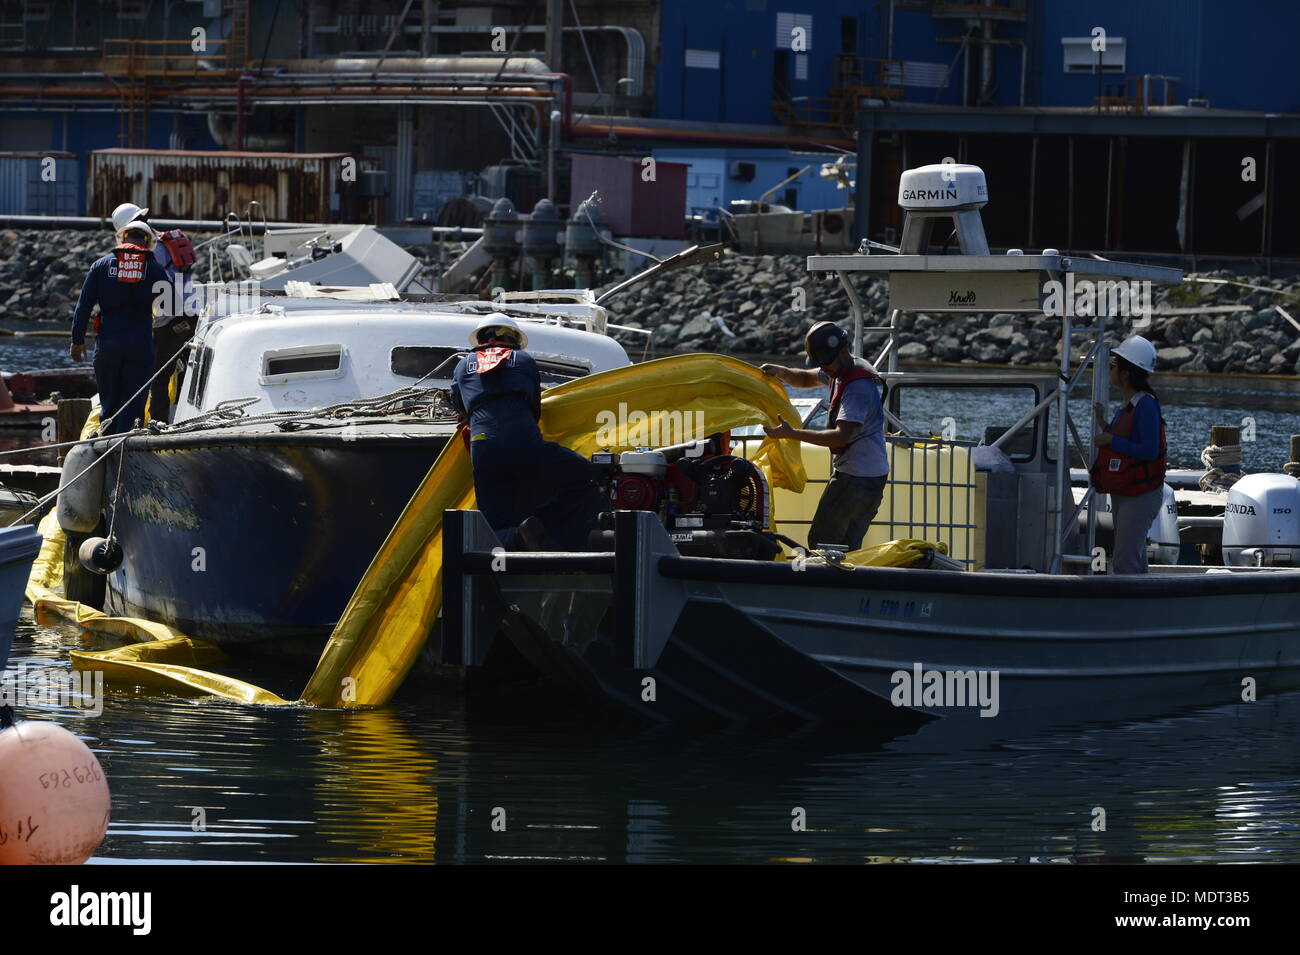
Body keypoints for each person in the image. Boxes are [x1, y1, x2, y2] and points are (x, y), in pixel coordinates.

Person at [450, 314, 599, 551]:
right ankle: (540, 523)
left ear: (480, 338)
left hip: (483, 447)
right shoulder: (524, 360)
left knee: (493, 521)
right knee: (585, 475)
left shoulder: (462, 365)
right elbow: (534, 408)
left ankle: (517, 538)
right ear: (514, 338)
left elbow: (459, 405)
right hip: (525, 443)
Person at [761, 321, 890, 551]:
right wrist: (780, 371)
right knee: (848, 548)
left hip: (857, 479)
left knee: (823, 542)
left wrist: (792, 434)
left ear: (842, 351)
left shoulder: (857, 388)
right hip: (871, 476)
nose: (823, 369)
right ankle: (846, 585)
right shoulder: (839, 369)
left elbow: (840, 437)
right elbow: (804, 378)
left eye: (826, 363)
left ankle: (823, 585)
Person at [70, 221, 169, 436]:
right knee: (134, 399)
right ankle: (128, 441)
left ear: (122, 239)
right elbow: (171, 305)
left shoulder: (101, 265)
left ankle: (107, 441)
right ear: (147, 241)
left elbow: (83, 306)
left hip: (109, 342)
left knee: (109, 401)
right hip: (140, 343)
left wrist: (77, 341)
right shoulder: (153, 268)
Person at [110, 202, 197, 422]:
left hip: (169, 321)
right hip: (192, 314)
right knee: (189, 368)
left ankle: (159, 425)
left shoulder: (147, 250)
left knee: (158, 376)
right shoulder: (165, 241)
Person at [1091, 335, 1167, 574]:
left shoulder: (1145, 405)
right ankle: (1146, 606)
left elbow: (1149, 450)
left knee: (1125, 560)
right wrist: (1104, 423)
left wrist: (1111, 439)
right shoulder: (1130, 404)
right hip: (1127, 489)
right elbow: (1126, 438)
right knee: (1133, 557)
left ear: (1125, 374)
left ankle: (1127, 607)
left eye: (1113, 365)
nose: (1110, 368)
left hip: (1141, 494)